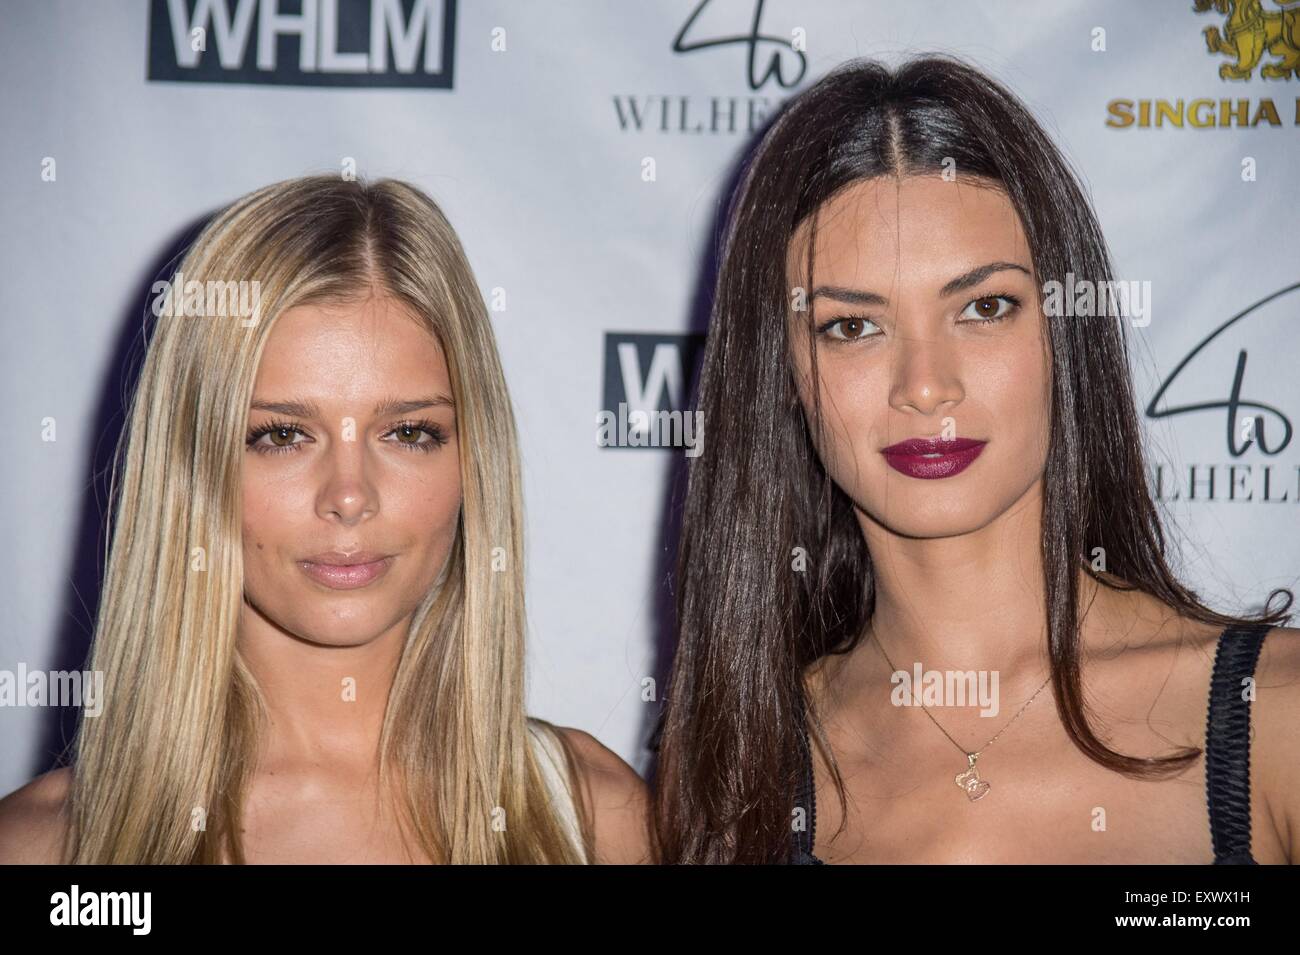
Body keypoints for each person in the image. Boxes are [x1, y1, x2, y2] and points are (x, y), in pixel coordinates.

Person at [651, 55, 1299, 864]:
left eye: (984, 307)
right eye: (852, 326)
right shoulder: (731, 763)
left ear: (1065, 332)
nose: (926, 386)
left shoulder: (1275, 717)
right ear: (780, 374)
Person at [0, 175, 652, 864]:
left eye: (407, 432)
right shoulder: (42, 848)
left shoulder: (596, 819)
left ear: (473, 460)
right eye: (282, 434)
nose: (349, 494)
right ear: (191, 463)